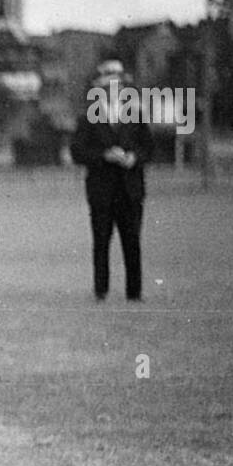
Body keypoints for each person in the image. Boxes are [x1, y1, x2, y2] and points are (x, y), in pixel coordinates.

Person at [69, 60, 155, 302]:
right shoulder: (88, 116)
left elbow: (148, 148)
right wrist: (104, 156)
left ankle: (134, 292)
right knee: (101, 243)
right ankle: (101, 290)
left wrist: (133, 158)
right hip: (101, 191)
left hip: (130, 190)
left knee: (132, 243)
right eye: (107, 82)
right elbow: (77, 151)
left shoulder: (135, 113)